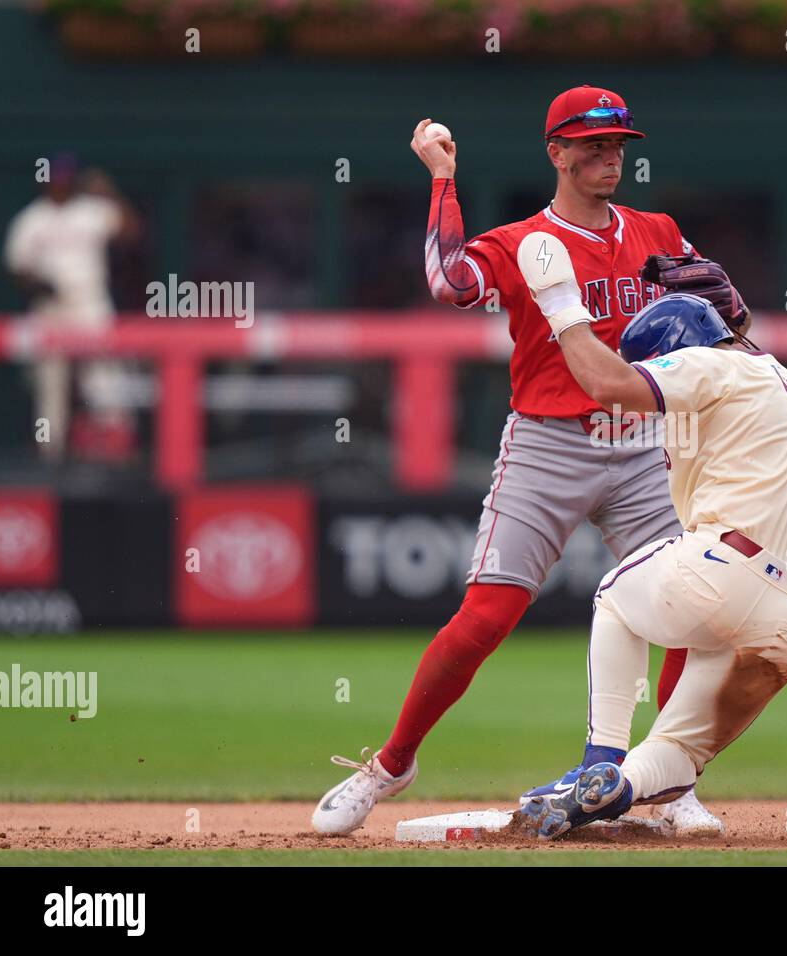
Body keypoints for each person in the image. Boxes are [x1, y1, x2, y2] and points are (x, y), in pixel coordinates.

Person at [312, 85, 749, 837]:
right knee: (485, 618)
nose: (608, 157)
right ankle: (391, 764)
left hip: (645, 445)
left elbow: (714, 323)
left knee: (691, 615)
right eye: (591, 145)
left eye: (617, 146)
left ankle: (671, 787)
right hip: (549, 444)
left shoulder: (657, 230)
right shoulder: (522, 240)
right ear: (557, 151)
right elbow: (449, 282)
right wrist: (442, 178)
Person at [509, 236, 787, 839]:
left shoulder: (707, 363)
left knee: (613, 596)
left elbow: (608, 384)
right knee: (678, 756)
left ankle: (598, 759)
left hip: (728, 568)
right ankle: (615, 789)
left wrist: (561, 306)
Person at [3, 155, 140, 463]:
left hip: (90, 304)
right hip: (50, 308)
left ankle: (116, 444)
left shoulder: (90, 211)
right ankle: (49, 453)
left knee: (104, 375)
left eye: (65, 177)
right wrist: (38, 283)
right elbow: (16, 266)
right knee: (50, 382)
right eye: (55, 178)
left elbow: (130, 230)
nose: (60, 183)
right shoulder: (32, 219)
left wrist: (109, 193)